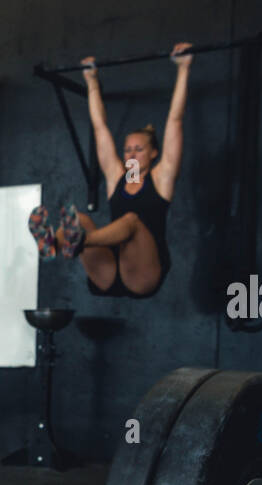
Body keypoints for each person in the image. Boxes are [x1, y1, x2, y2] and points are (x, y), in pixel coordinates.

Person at [27, 43, 192, 299]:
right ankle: (54, 245)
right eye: (127, 150)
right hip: (107, 272)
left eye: (139, 149)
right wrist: (91, 80)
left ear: (154, 154)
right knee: (79, 217)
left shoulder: (162, 178)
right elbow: (100, 128)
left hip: (143, 274)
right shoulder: (118, 178)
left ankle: (79, 242)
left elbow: (175, 120)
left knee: (131, 220)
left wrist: (184, 69)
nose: (132, 154)